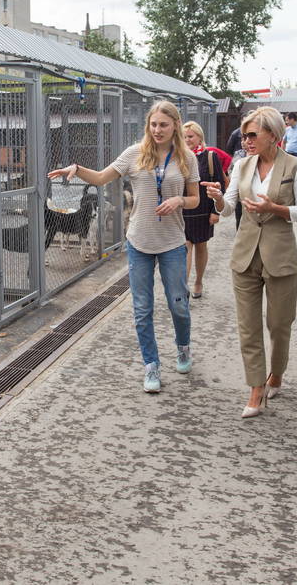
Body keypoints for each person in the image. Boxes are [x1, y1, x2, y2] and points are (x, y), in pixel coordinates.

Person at [48, 100, 199, 393]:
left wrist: (179, 201)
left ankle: (183, 347)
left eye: (163, 125)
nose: (157, 130)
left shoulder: (186, 158)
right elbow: (103, 177)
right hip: (139, 242)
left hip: (172, 242)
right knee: (142, 308)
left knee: (178, 304)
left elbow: (194, 198)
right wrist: (77, 169)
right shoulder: (135, 154)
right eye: (153, 124)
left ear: (175, 126)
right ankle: (151, 366)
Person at [203, 106, 297, 417]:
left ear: (274, 136)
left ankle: (276, 372)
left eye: (253, 135)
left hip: (280, 255)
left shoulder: (295, 166)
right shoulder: (242, 165)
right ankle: (256, 388)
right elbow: (228, 209)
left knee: (279, 324)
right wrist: (217, 198)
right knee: (248, 327)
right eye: (244, 135)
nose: (246, 140)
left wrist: (276, 208)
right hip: (245, 253)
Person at [182, 121, 226, 299]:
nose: (187, 140)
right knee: (184, 248)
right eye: (184, 137)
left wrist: (216, 211)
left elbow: (219, 184)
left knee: (201, 246)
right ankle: (183, 286)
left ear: (200, 137)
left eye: (190, 137)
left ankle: (198, 281)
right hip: (184, 209)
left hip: (203, 210)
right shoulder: (179, 156)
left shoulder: (209, 156)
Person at [225, 126, 245, 229]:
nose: (245, 141)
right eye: (243, 138)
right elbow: (230, 169)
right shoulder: (238, 154)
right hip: (239, 193)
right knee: (239, 217)